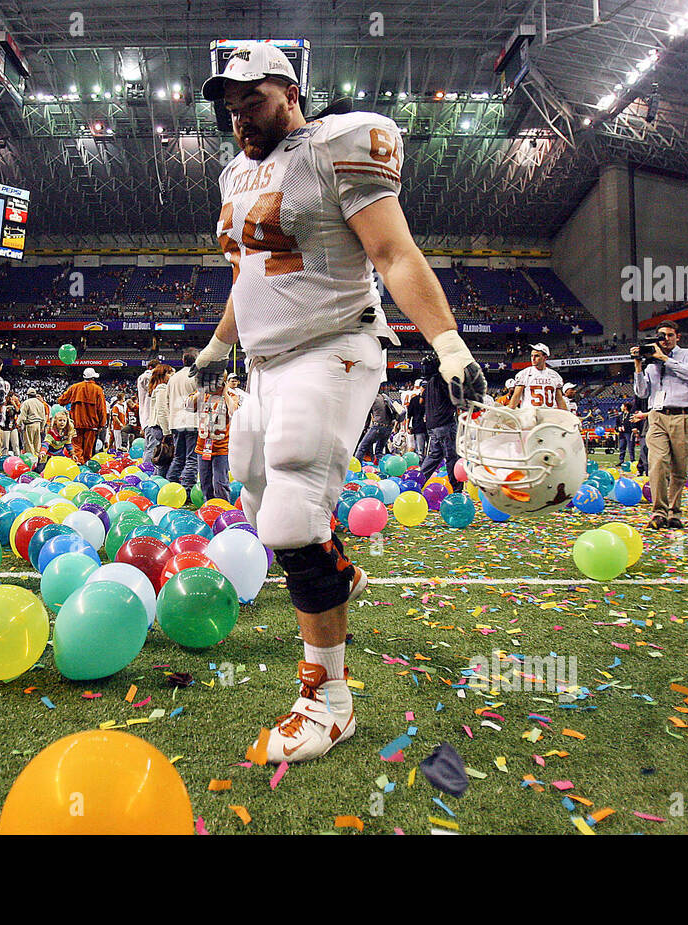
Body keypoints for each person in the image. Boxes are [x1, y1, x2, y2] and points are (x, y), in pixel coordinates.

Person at [194, 42, 484, 764]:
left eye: (252, 100)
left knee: (293, 513)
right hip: (264, 362)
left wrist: (447, 343)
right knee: (261, 506)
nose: (240, 117)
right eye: (231, 106)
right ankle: (336, 568)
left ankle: (328, 699)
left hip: (332, 345)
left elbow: (394, 254)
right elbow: (251, 274)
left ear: (291, 92)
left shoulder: (338, 146)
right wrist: (215, 343)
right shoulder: (236, 171)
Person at [632, 321, 688, 529]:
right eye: (661, 336)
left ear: (677, 337)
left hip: (682, 415)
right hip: (657, 416)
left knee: (679, 469)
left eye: (669, 335)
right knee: (656, 465)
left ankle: (674, 512)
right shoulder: (650, 361)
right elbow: (642, 392)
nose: (665, 339)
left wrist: (663, 358)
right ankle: (658, 512)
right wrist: (638, 365)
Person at [189, 374, 238, 500]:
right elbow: (188, 406)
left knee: (220, 483)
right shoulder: (203, 394)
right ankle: (209, 509)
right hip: (202, 446)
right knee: (205, 483)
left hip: (221, 447)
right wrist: (201, 389)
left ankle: (221, 510)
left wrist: (225, 392)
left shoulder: (231, 395)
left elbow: (234, 411)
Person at [416, 352, 458, 484]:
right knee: (452, 457)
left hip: (432, 426)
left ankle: (418, 482)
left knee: (434, 456)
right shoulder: (443, 380)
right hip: (445, 424)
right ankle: (456, 490)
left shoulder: (429, 384)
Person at [163, 348, 201, 490]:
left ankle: (170, 487)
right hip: (193, 422)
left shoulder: (173, 378)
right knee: (191, 458)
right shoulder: (197, 376)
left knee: (178, 458)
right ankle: (187, 489)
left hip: (176, 422)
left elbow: (167, 401)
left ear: (183, 360)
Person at [59, 367, 107, 462]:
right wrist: (101, 424)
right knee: (88, 451)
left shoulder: (74, 387)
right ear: (93, 378)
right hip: (92, 426)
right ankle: (86, 468)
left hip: (76, 424)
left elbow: (61, 400)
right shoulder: (98, 390)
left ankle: (78, 465)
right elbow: (102, 409)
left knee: (76, 448)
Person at [511, 343, 568, 410]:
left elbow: (559, 400)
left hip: (548, 415)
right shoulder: (524, 374)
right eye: (532, 356)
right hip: (530, 415)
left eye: (537, 356)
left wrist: (568, 416)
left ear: (545, 357)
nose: (533, 358)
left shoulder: (554, 376)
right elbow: (516, 397)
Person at [354, 385, 396, 462]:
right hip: (389, 427)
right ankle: (382, 469)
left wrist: (365, 428)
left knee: (362, 448)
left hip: (378, 427)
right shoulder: (384, 397)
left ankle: (355, 469)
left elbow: (367, 416)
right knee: (379, 452)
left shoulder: (371, 399)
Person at [19, 387, 48, 455]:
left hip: (30, 424)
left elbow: (22, 415)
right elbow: (43, 417)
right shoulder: (40, 403)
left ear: (28, 395)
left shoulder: (26, 402)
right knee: (37, 444)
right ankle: (37, 459)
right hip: (38, 424)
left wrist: (19, 424)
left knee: (29, 444)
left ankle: (31, 460)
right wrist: (42, 427)